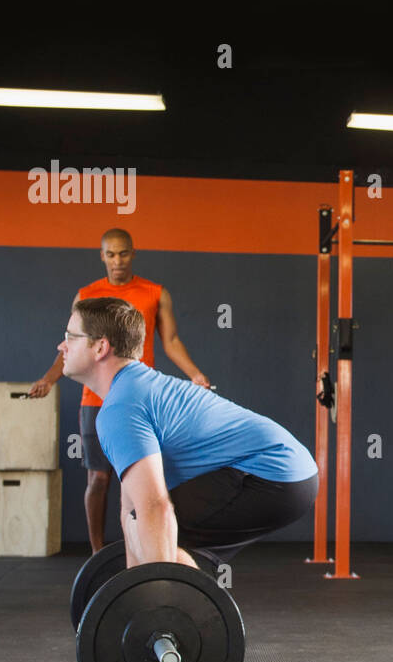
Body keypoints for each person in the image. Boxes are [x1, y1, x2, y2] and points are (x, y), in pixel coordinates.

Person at [58, 297, 316, 566]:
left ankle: (177, 595)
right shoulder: (132, 390)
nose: (61, 345)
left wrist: (156, 586)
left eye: (71, 337)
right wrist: (133, 585)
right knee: (143, 528)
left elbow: (155, 507)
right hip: (288, 472)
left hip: (272, 474)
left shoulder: (121, 407)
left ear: (100, 347)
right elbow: (130, 508)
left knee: (155, 532)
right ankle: (174, 589)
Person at [28, 228, 211, 552]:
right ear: (102, 256)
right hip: (96, 400)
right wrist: (48, 379)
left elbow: (170, 341)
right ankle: (98, 553)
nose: (117, 261)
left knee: (141, 483)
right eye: (110, 254)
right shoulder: (86, 295)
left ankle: (141, 549)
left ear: (133, 253)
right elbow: (70, 346)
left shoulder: (155, 293)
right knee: (99, 479)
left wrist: (196, 375)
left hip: (142, 400)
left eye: (123, 253)